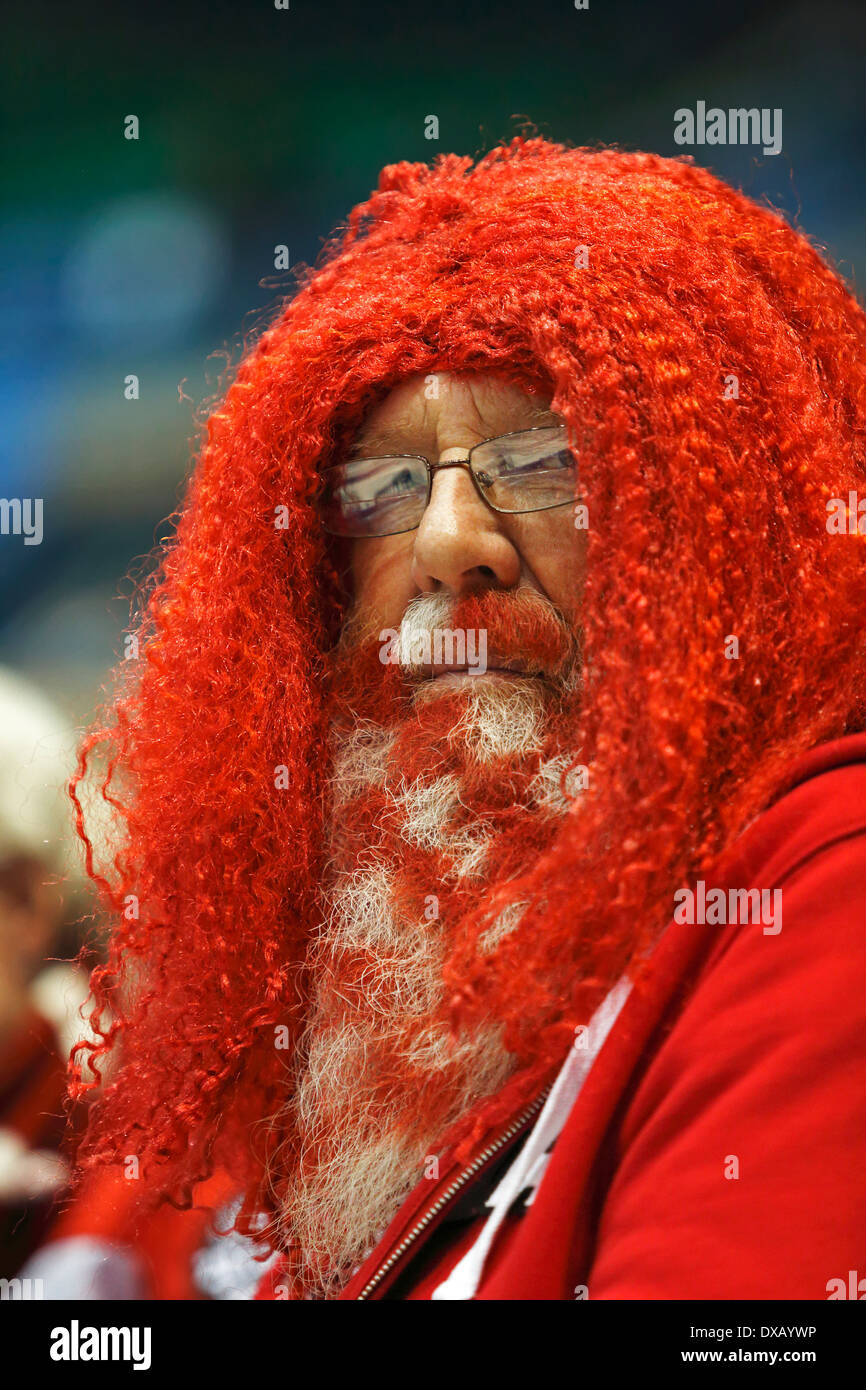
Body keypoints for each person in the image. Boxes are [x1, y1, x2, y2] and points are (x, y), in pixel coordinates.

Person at [33, 136, 866, 1300]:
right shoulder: (341, 1020)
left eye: (543, 461)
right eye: (380, 490)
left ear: (740, 521)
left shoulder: (820, 883)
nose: (445, 546)